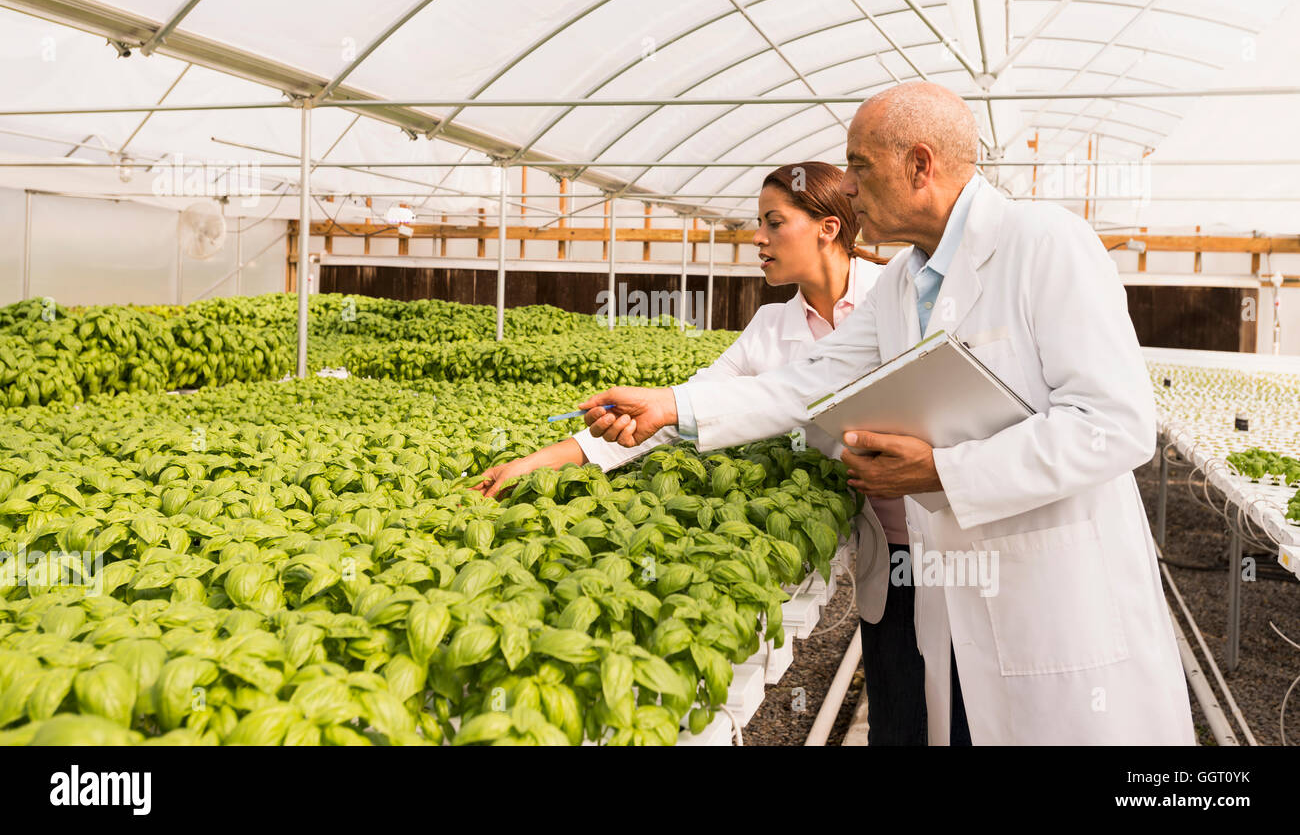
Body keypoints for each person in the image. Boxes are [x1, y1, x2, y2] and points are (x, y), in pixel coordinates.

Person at [577, 82, 1196, 746]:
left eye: (859, 165)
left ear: (920, 166)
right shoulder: (903, 283)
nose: (846, 185)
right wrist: (675, 405)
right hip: (951, 594)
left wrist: (942, 470)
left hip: (1058, 593)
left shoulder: (1046, 244)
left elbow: (1115, 423)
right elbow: (807, 378)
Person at [473, 161, 928, 745]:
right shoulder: (769, 326)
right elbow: (689, 406)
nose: (757, 239)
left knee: (960, 705)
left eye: (773, 222)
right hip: (883, 547)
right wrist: (537, 462)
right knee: (898, 708)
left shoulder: (893, 300)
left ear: (828, 228)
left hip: (940, 523)